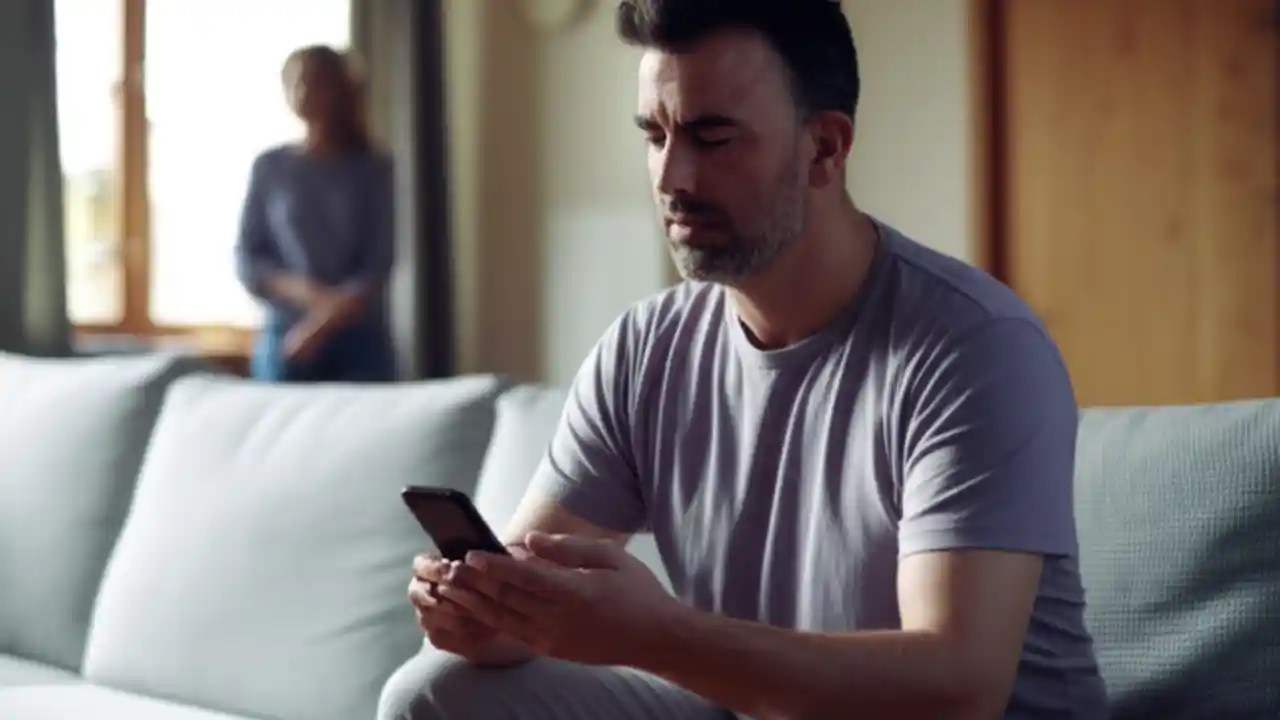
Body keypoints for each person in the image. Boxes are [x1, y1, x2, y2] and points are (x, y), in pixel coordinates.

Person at [386, 1, 1108, 718]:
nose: (673, 178)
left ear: (824, 148)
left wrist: (656, 634)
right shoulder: (646, 349)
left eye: (713, 137)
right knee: (434, 693)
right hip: (756, 708)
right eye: (655, 135)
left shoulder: (974, 346)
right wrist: (481, 612)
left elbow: (959, 688)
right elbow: (529, 605)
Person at [235, 45, 396, 382]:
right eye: (294, 82)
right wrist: (310, 295)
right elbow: (250, 258)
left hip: (357, 338)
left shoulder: (372, 168)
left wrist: (321, 324)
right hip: (285, 333)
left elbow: (377, 263)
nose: (303, 92)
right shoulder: (270, 167)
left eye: (313, 82)